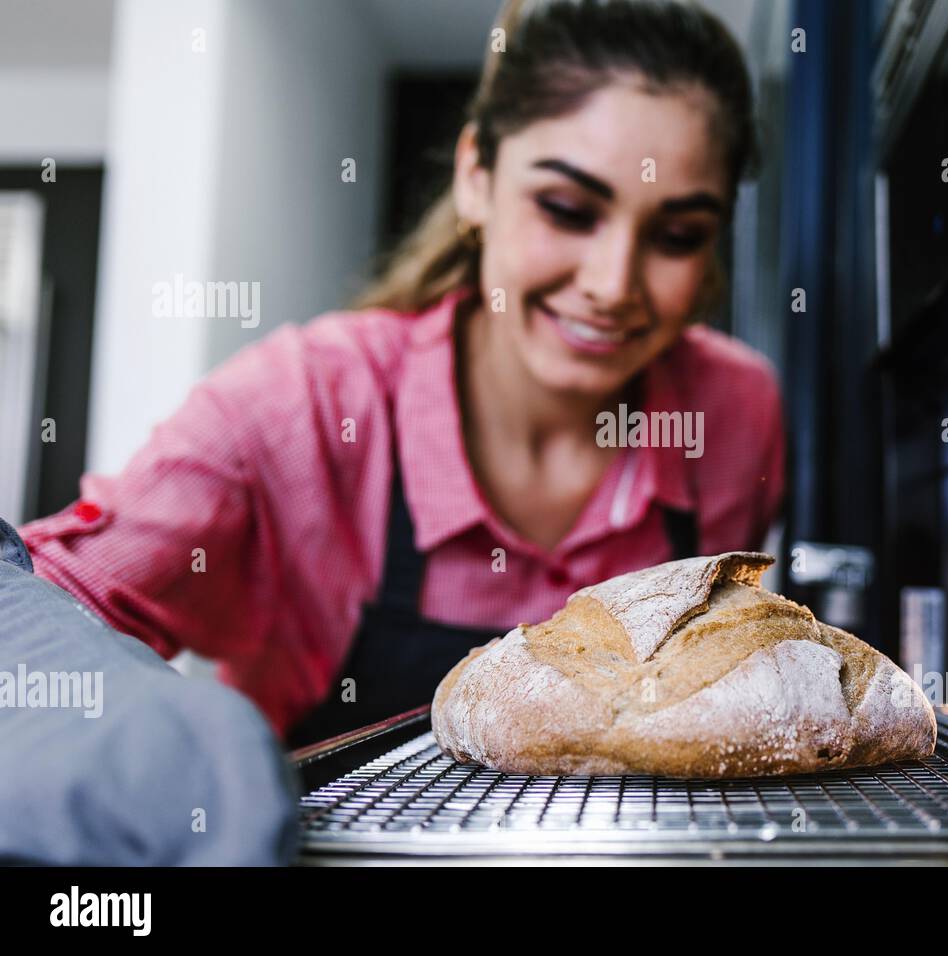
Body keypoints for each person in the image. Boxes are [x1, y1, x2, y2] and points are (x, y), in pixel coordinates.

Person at [4, 0, 784, 863]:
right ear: (475, 176)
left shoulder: (733, 415)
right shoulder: (297, 409)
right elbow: (26, 618)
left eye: (677, 235)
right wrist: (164, 745)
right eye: (567, 207)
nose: (612, 283)